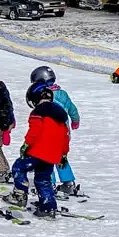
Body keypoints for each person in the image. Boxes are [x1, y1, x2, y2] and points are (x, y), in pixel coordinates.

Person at [11, 79, 69, 216]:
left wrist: (26, 145)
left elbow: (35, 131)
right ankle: (48, 207)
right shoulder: (60, 114)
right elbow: (65, 136)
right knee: (43, 180)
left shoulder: (38, 112)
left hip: (37, 152)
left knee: (18, 167)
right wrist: (63, 154)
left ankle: (19, 195)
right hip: (51, 156)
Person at [30, 66, 83, 196]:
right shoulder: (63, 94)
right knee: (60, 156)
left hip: (48, 132)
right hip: (63, 132)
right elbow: (72, 108)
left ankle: (49, 183)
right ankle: (68, 183)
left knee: (45, 156)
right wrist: (75, 121)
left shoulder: (44, 95)